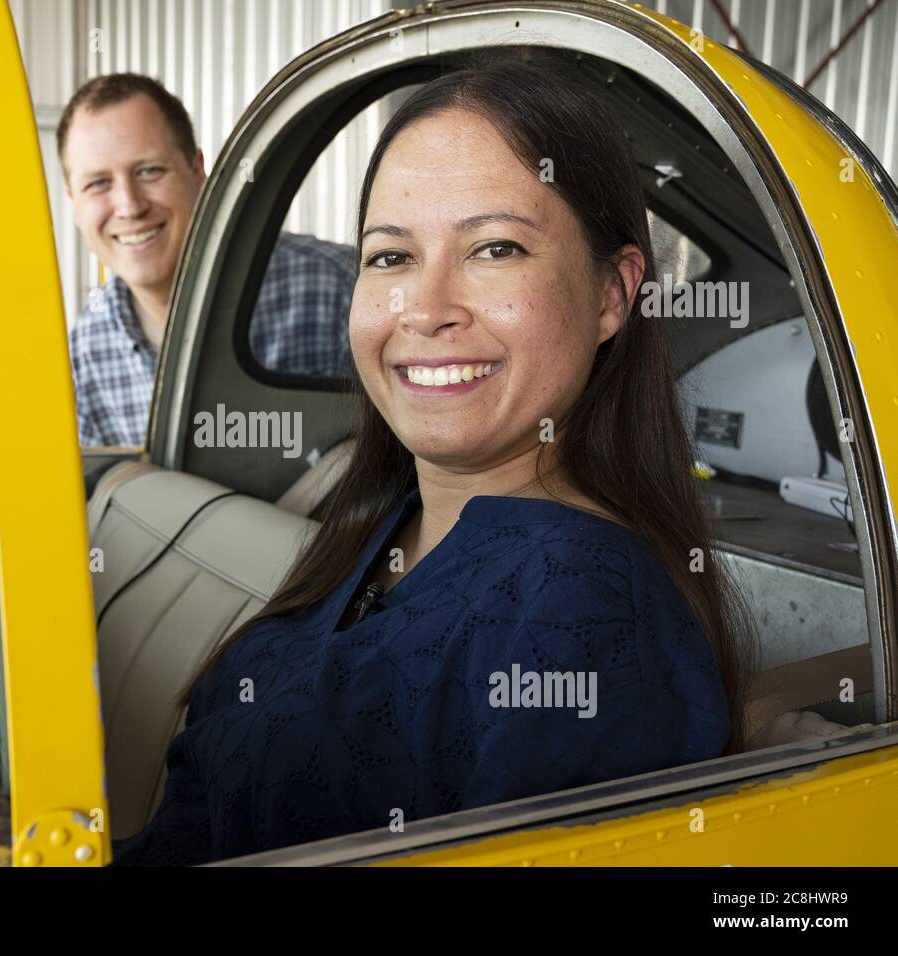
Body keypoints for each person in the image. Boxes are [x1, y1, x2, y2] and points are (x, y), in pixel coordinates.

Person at [110, 53, 753, 866]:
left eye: (494, 249)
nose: (425, 308)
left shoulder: (584, 610)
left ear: (611, 294)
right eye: (390, 257)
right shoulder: (383, 528)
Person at [58, 73, 356, 447]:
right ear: (73, 202)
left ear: (198, 171)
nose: (130, 206)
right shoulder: (85, 349)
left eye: (150, 171)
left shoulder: (339, 290)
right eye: (98, 183)